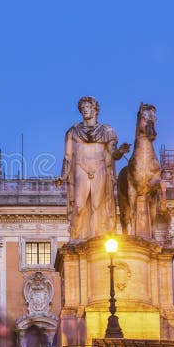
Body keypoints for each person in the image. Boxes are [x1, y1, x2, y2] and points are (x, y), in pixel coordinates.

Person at [59, 96, 130, 241]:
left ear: (95, 109)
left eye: (88, 107)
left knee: (97, 206)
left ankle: (96, 240)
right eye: (83, 108)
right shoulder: (72, 132)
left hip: (100, 168)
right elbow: (67, 156)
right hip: (80, 168)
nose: (85, 109)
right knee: (79, 206)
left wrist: (121, 151)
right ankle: (75, 238)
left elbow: (113, 154)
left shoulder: (106, 130)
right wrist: (63, 175)